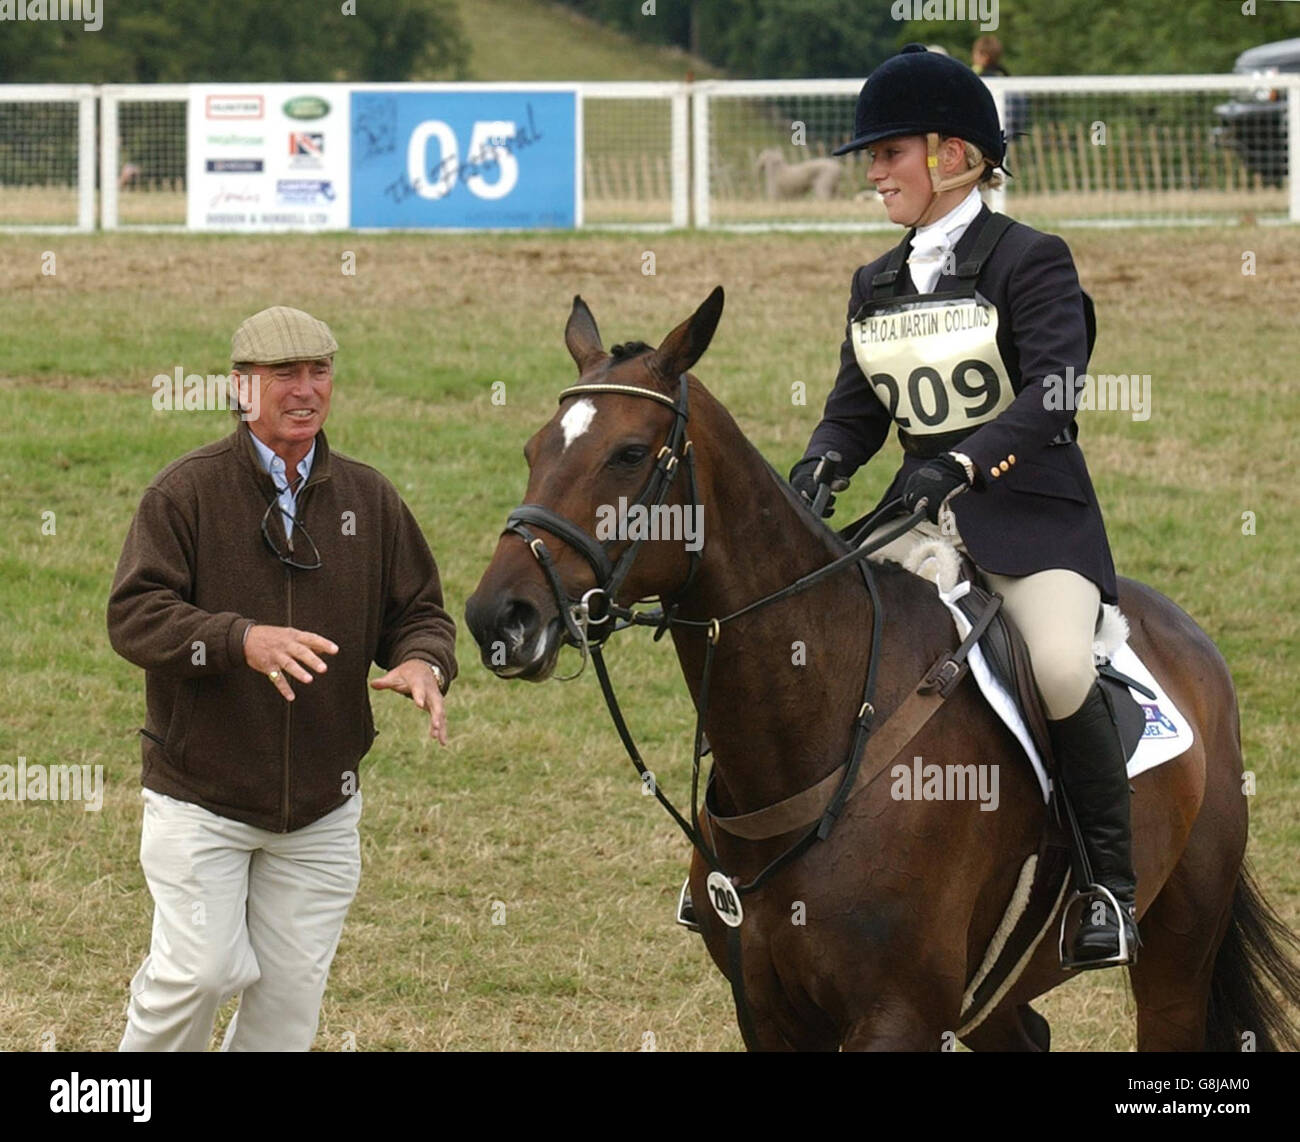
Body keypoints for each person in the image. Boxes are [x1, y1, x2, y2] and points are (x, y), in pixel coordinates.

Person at [787, 45, 1137, 968]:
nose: (872, 172)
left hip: (1032, 526)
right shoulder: (877, 282)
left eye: (889, 152)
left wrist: (968, 463)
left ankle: (1108, 887)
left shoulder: (1032, 260)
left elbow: (1055, 390)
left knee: (1060, 668)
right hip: (918, 530)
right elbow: (855, 410)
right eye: (871, 156)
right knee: (806, 641)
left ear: (953, 156)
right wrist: (820, 467)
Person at [108, 306, 458, 1049]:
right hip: (202, 795)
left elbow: (420, 610)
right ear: (241, 388)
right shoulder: (185, 493)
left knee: (286, 1014)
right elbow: (134, 616)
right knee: (199, 974)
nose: (305, 390)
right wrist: (240, 640)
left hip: (322, 811)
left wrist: (424, 660)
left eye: (319, 371)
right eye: (283, 375)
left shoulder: (370, 498)